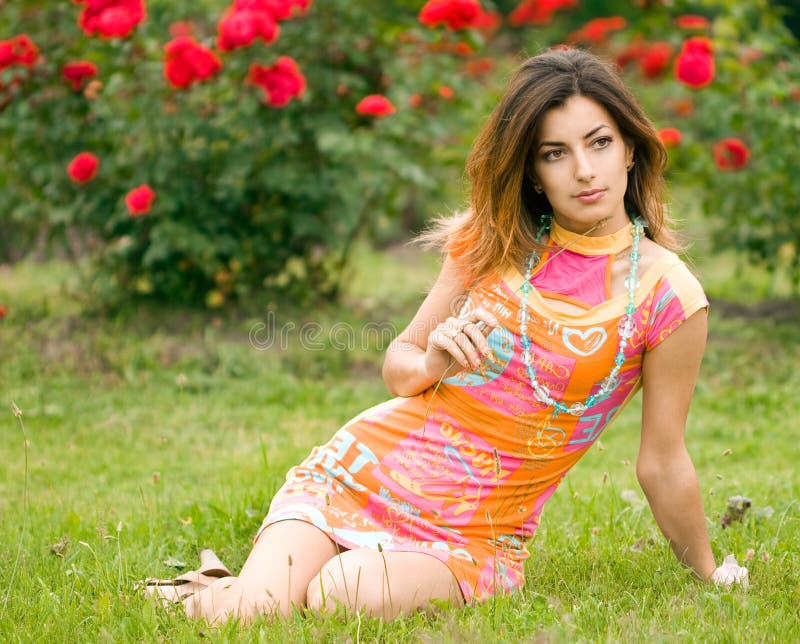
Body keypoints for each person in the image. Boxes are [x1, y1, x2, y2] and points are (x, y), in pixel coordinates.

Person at [152, 47, 749, 623]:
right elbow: (400, 363)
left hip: (473, 532)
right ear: (532, 172)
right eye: (555, 153)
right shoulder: (492, 240)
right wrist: (433, 361)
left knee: (340, 594)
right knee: (256, 613)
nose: (584, 170)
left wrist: (708, 573)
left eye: (599, 143)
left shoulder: (668, 296)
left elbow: (662, 462)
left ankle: (227, 583)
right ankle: (212, 594)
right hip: (362, 474)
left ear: (630, 150)